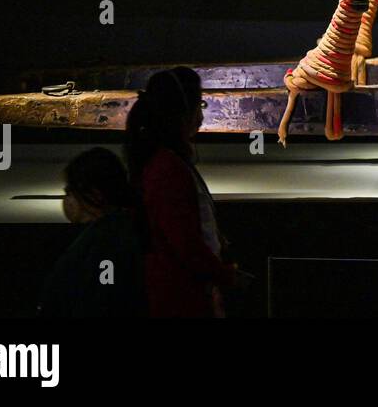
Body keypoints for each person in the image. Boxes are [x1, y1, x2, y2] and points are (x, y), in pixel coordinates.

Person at [125, 67, 245, 317]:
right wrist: (223, 274)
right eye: (199, 104)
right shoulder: (167, 168)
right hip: (182, 298)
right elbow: (185, 244)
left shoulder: (167, 163)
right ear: (184, 113)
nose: (201, 114)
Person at [38, 147, 146, 317]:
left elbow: (105, 294)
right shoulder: (115, 232)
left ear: (94, 194)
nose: (67, 200)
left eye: (70, 192)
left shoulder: (108, 240)